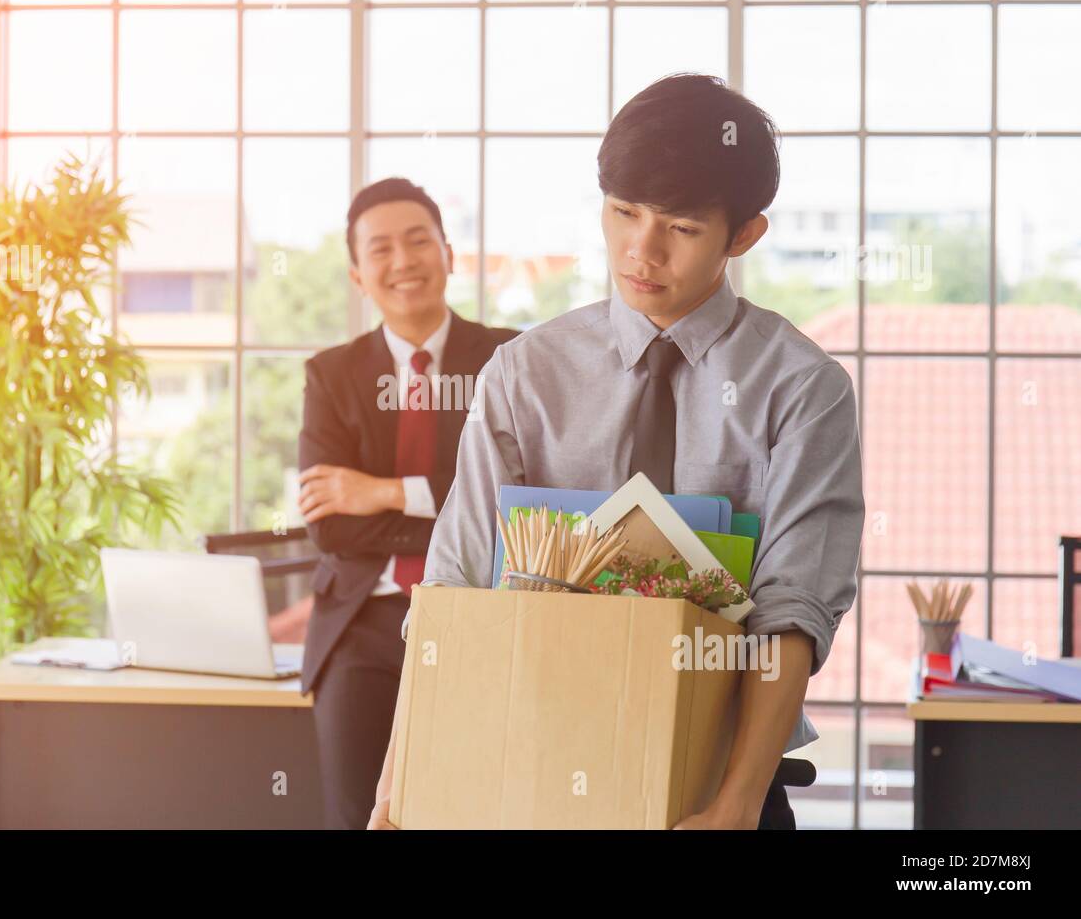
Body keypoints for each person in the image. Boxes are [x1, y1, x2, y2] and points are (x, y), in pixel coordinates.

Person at [367, 74, 866, 830]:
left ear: (744, 236)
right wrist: (397, 789)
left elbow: (790, 616)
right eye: (623, 212)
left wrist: (733, 807)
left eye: (683, 228)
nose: (642, 250)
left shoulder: (802, 389)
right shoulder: (525, 374)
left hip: (720, 779)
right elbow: (451, 592)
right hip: (526, 760)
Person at [297, 177, 519, 830]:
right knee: (361, 815)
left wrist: (387, 493)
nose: (403, 262)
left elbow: (516, 502)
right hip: (364, 626)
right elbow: (334, 528)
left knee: (476, 811)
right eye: (381, 249)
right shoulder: (331, 375)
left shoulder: (509, 359)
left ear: (448, 254)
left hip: (480, 616)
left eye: (419, 240)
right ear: (358, 276)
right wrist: (449, 506)